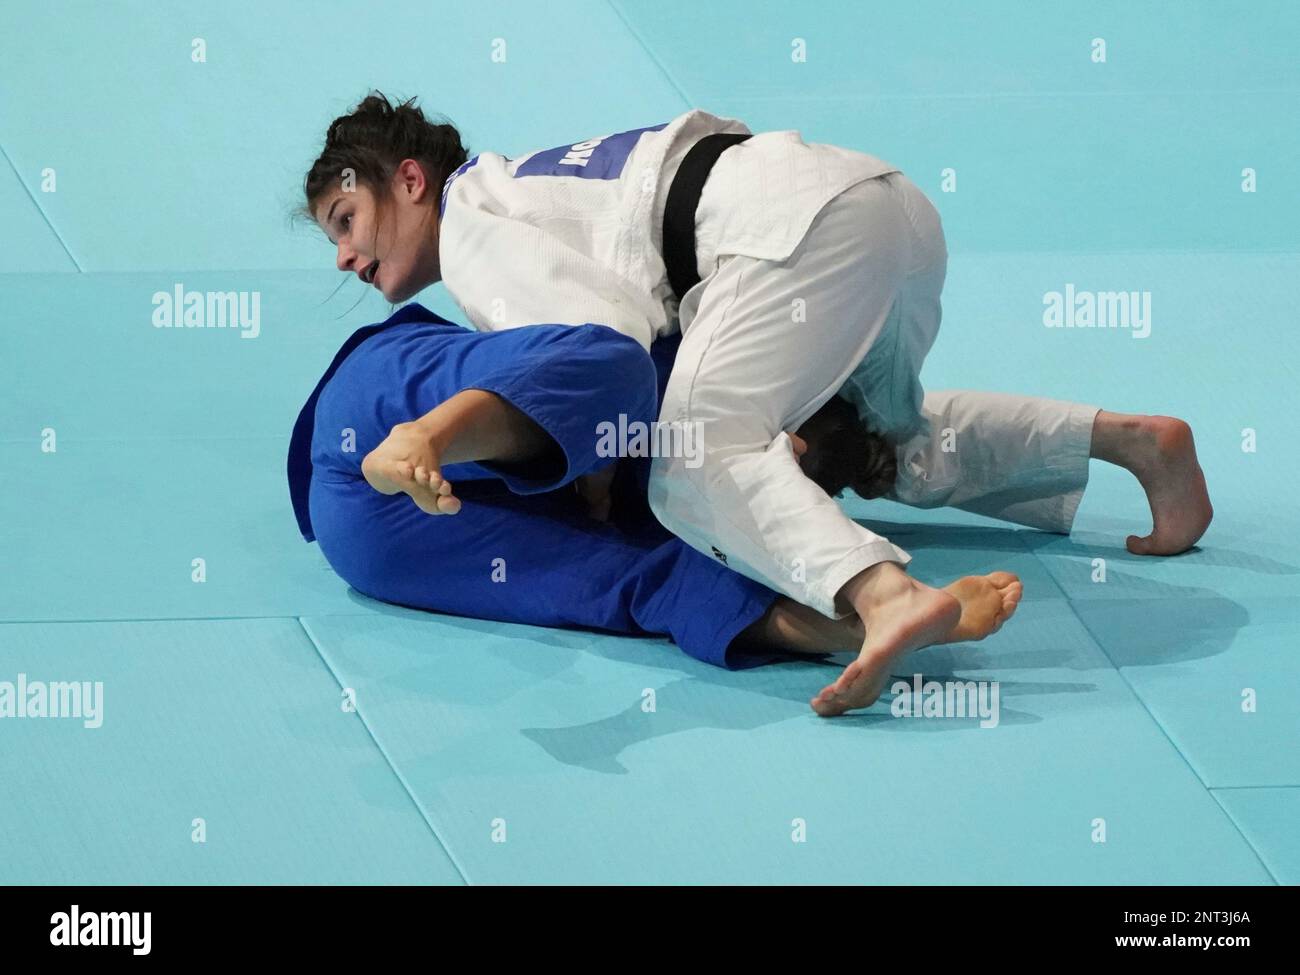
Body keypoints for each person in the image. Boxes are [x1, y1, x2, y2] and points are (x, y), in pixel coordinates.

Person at [302, 94, 1213, 715]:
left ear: (411, 180)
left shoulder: (471, 234)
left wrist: (596, 466)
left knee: (694, 460)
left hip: (786, 246)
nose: (344, 258)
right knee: (890, 441)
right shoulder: (530, 179)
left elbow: (606, 349)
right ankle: (1133, 444)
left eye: (346, 221)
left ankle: (882, 594)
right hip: (877, 205)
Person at [286, 303, 1022, 714]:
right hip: (375, 397)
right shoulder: (717, 352)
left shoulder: (710, 505)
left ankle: (869, 627)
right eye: (785, 455)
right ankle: (426, 437)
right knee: (613, 363)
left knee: (632, 584)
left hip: (370, 544)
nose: (347, 263)